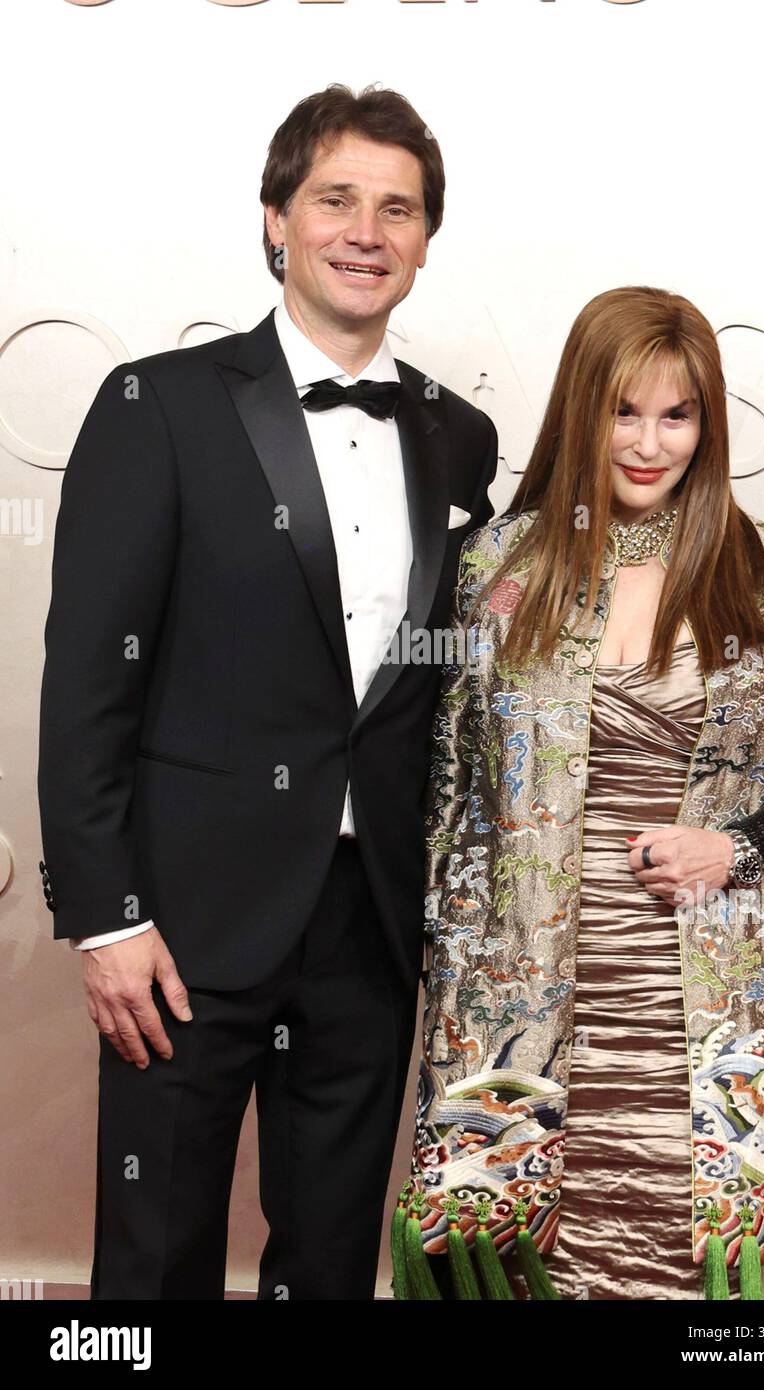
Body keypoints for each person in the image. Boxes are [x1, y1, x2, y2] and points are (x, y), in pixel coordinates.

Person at [36, 83, 497, 1300]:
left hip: (372, 920)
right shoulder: (160, 407)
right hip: (179, 924)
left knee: (331, 1261)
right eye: (334, 198)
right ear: (275, 221)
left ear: (424, 241)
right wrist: (106, 916)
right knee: (151, 1267)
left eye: (397, 208)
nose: (365, 229)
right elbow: (87, 680)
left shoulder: (460, 438)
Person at [389, 285, 764, 1301]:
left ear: (708, 421)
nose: (650, 442)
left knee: (706, 1271)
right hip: (518, 992)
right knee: (515, 1258)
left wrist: (735, 844)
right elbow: (436, 787)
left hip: (713, 986)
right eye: (623, 410)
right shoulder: (488, 571)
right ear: (579, 409)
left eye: (678, 413)